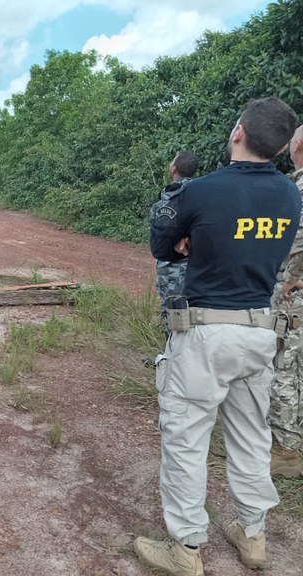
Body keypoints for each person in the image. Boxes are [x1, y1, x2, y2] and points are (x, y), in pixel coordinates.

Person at [137, 97, 300, 575]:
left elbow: (162, 246)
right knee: (251, 439)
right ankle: (253, 538)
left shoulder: (200, 191)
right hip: (259, 333)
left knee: (186, 439)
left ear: (237, 133)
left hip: (206, 333)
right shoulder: (291, 195)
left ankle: (186, 550)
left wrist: (192, 240)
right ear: (282, 146)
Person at [269, 123, 303, 478]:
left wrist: (293, 280)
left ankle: (286, 452)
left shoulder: (298, 189)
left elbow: (295, 243)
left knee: (285, 367)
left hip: (294, 298)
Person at [151, 151, 199, 319]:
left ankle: (172, 344)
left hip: (172, 267)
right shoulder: (203, 193)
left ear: (173, 169)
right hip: (200, 266)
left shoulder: (168, 197)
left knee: (171, 314)